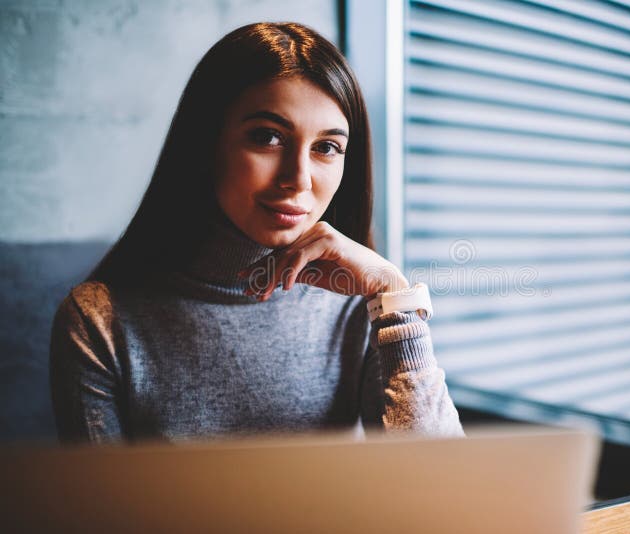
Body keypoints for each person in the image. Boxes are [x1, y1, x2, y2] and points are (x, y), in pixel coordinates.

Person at [49, 22, 464, 444]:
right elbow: (102, 510)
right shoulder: (98, 322)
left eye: (326, 147)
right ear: (206, 144)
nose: (298, 179)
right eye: (268, 137)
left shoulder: (360, 302)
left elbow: (449, 488)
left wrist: (396, 299)